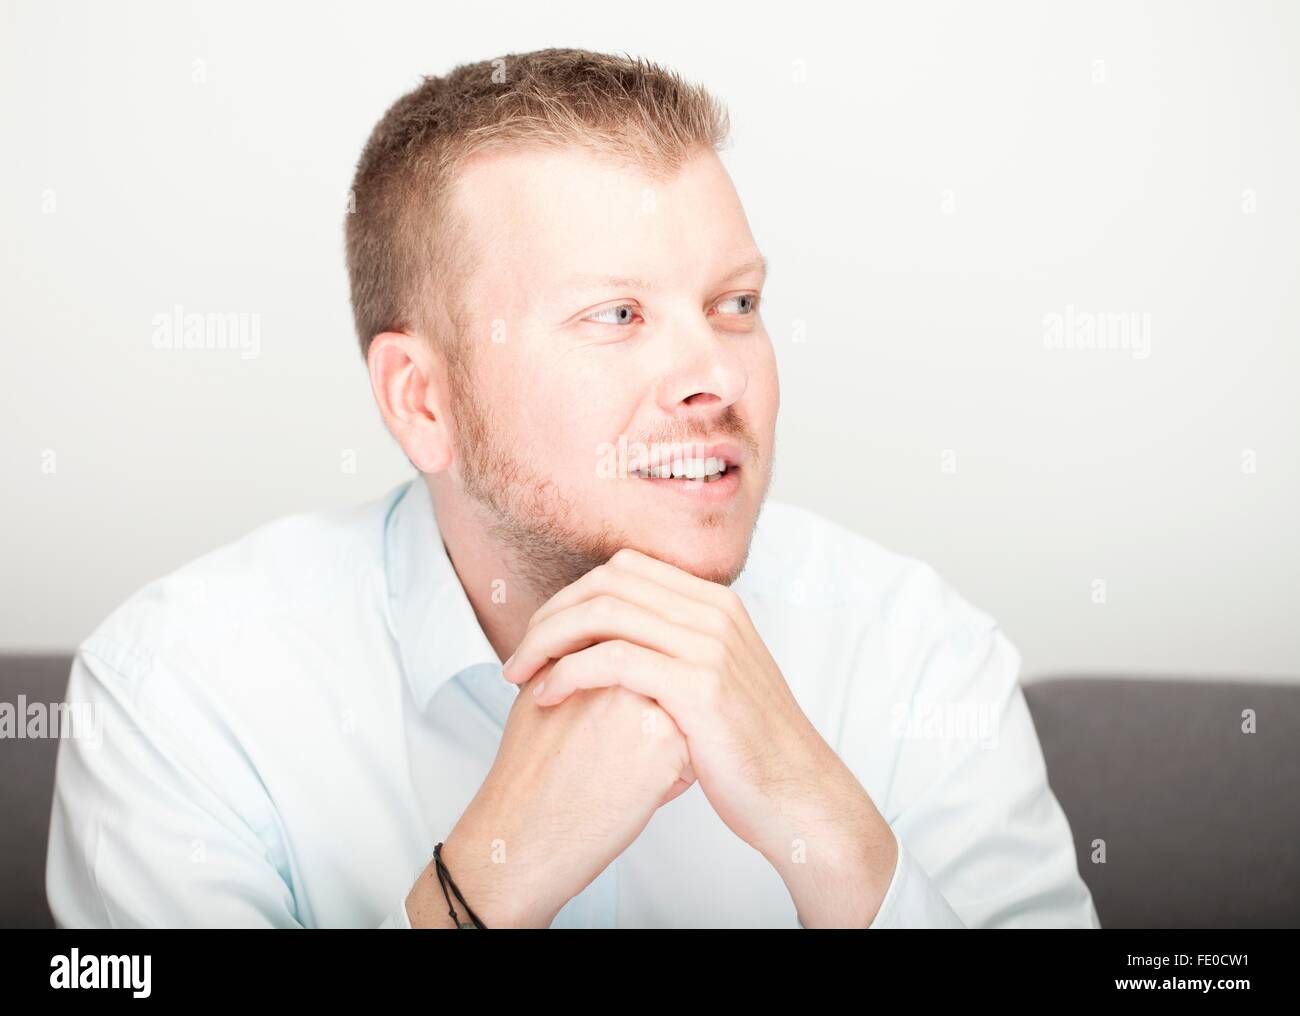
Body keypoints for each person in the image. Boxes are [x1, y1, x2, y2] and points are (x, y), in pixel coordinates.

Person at [46, 47, 1100, 928]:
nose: (718, 376)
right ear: (423, 400)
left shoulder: (916, 653)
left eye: (735, 302)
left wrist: (822, 819)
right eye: (617, 316)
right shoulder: (177, 694)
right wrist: (491, 876)